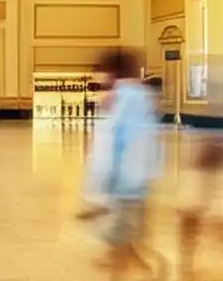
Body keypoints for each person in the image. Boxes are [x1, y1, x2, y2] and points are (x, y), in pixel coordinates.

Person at [77, 49, 162, 276]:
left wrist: (100, 194)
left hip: (125, 190)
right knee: (124, 247)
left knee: (120, 252)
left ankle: (153, 271)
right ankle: (153, 271)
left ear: (111, 74)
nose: (99, 88)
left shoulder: (127, 100)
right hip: (128, 190)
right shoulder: (134, 98)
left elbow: (120, 148)